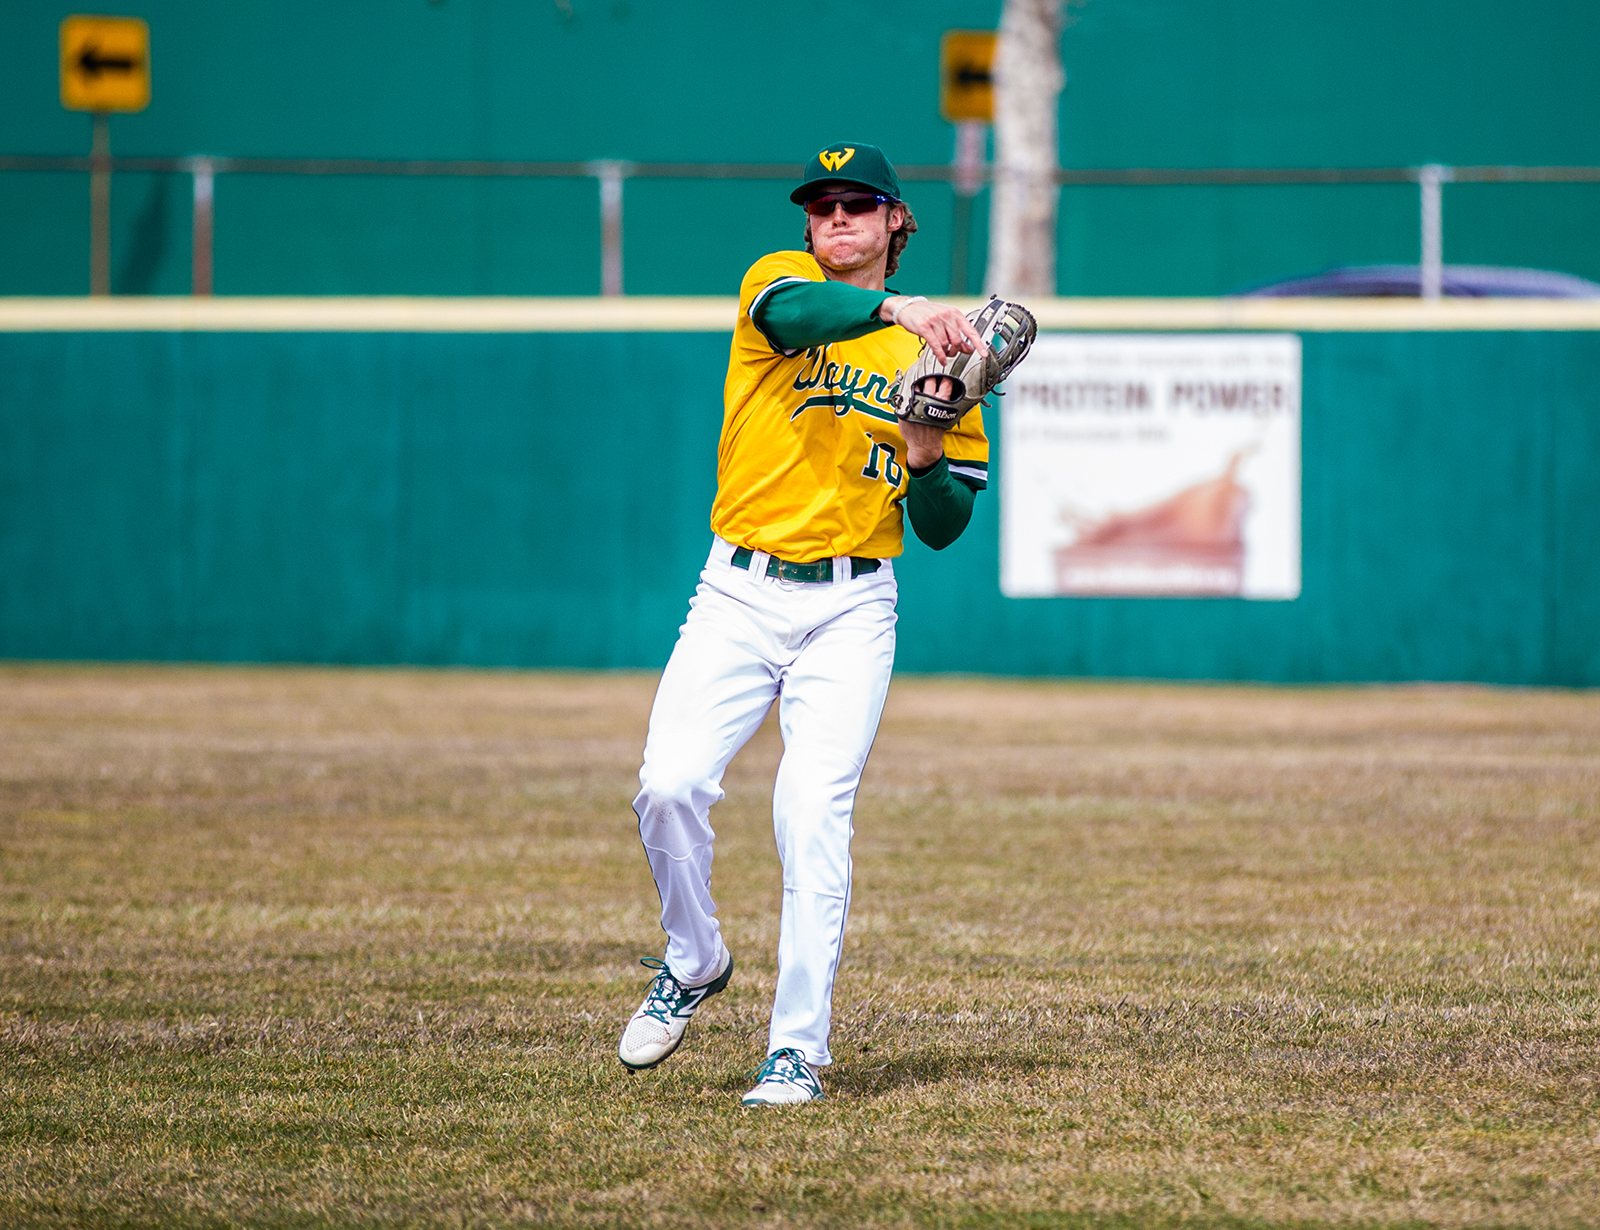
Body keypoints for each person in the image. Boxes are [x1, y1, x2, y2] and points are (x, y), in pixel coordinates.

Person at [618, 142, 989, 1107]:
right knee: (668, 787)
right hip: (738, 589)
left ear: (896, 221)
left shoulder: (944, 358)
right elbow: (794, 316)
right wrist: (900, 309)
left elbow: (947, 528)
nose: (835, 221)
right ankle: (695, 959)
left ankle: (797, 1050)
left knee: (810, 812)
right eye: (821, 207)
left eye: (858, 204)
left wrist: (925, 450)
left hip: (853, 605)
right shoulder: (782, 282)